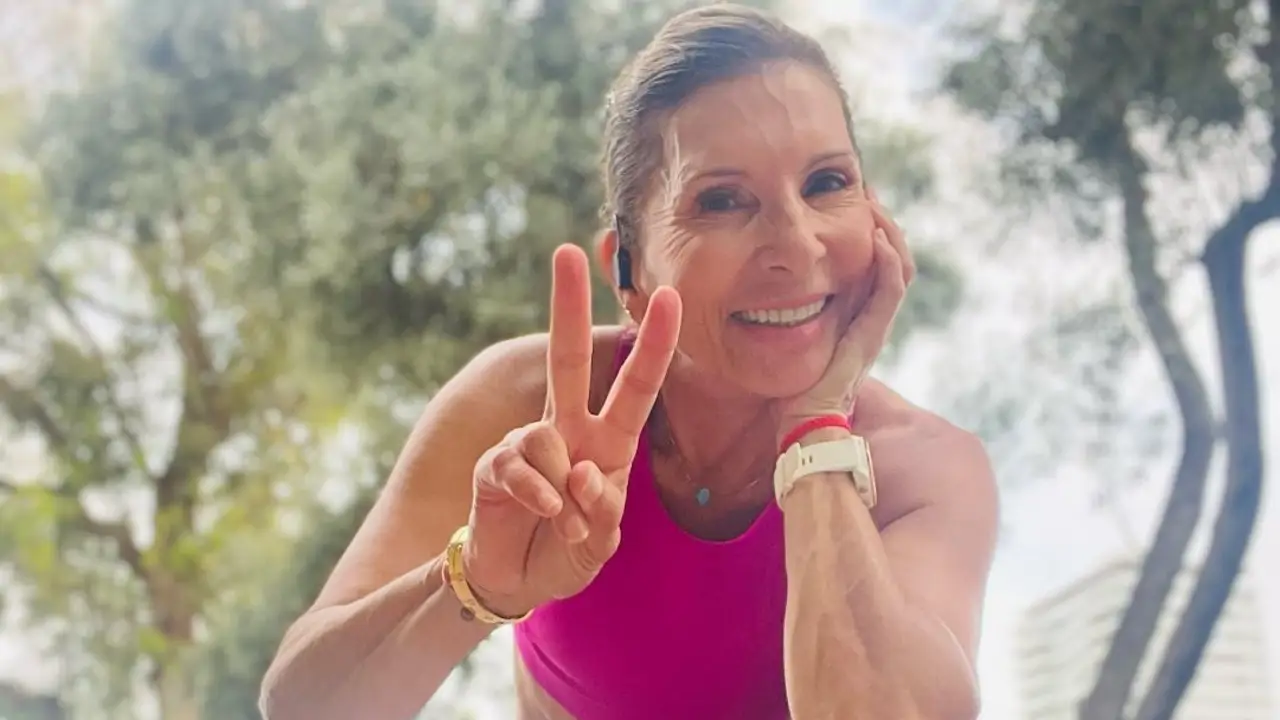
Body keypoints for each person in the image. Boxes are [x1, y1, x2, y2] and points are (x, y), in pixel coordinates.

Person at [259, 5, 998, 720]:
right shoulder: (524, 403)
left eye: (827, 183)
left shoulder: (926, 472)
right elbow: (301, 705)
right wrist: (480, 584)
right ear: (628, 272)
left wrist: (814, 434)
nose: (797, 246)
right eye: (723, 200)